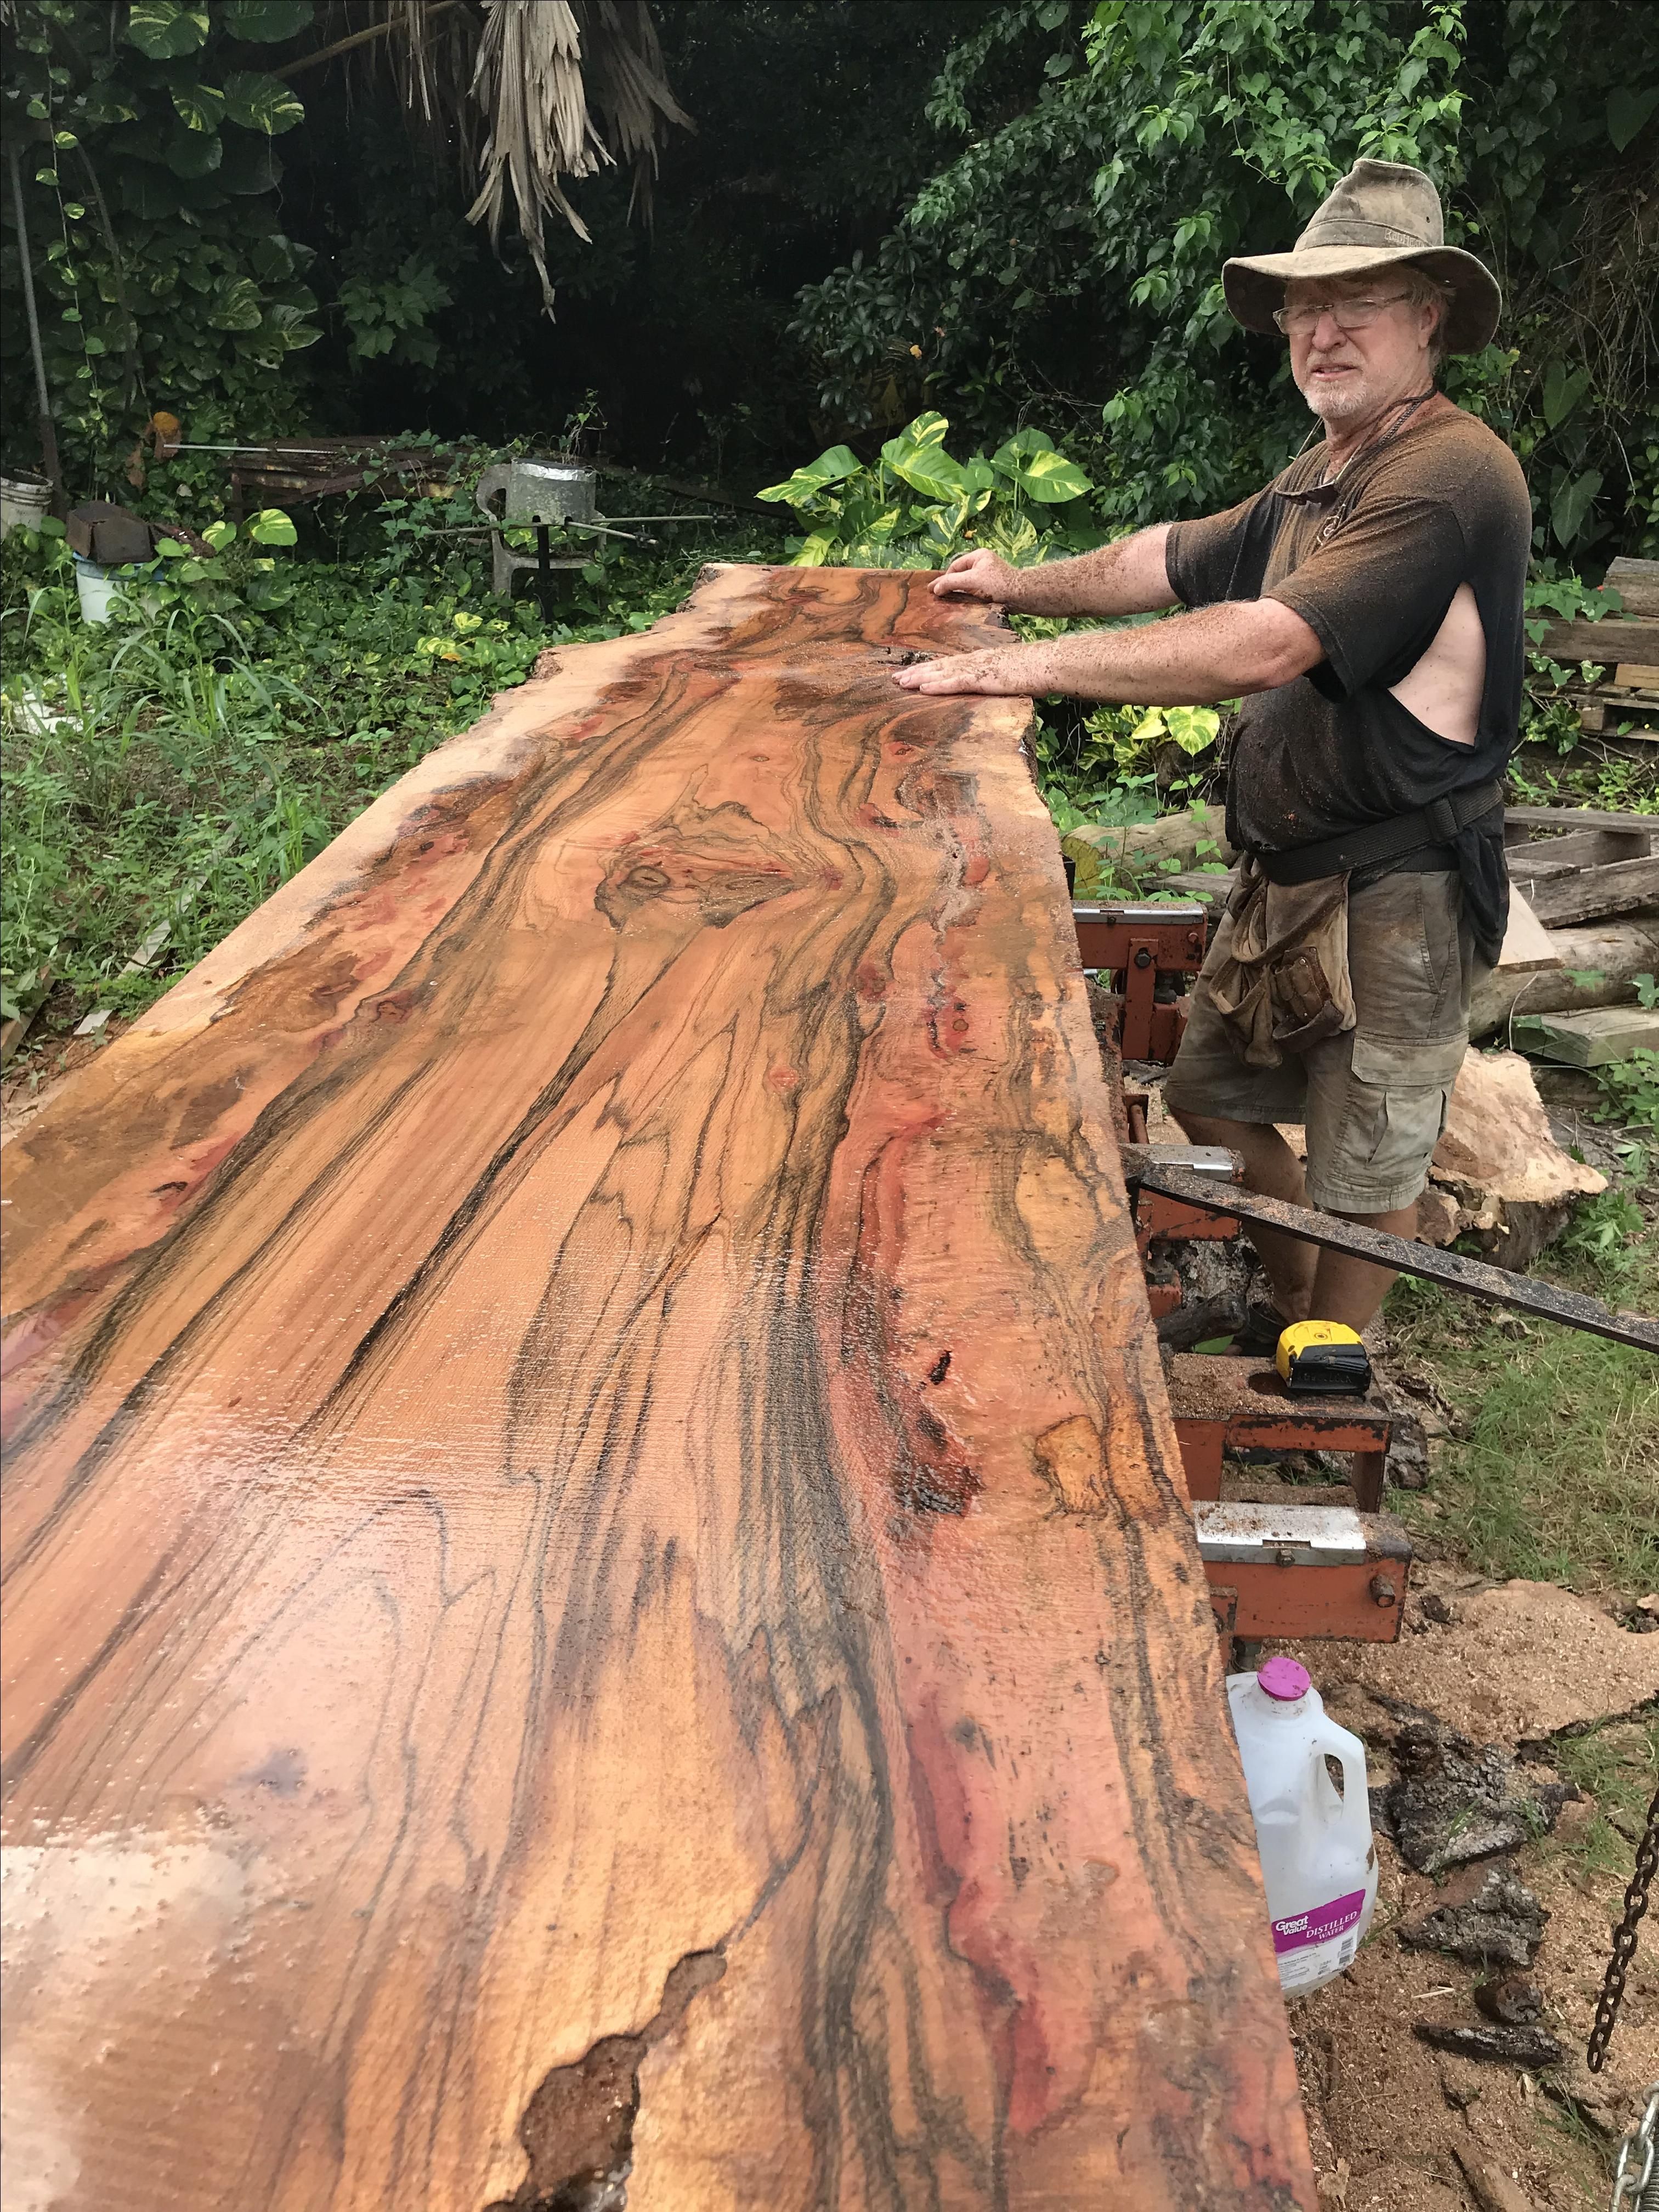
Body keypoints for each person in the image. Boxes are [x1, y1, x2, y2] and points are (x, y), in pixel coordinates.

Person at [893, 159, 1531, 1336]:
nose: (1321, 332)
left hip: (1398, 888)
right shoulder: (1321, 472)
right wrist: (1012, 589)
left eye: (1359, 302)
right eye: (1302, 308)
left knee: (1368, 1167)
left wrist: (1014, 670)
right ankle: (1289, 1305)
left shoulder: (1446, 475)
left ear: (1428, 317)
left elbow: (1263, 644)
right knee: (1205, 1097)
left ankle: (1336, 1374)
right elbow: (1171, 557)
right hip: (1287, 879)